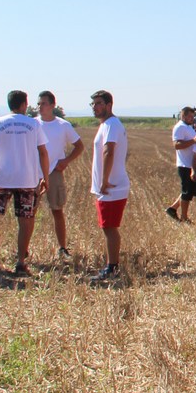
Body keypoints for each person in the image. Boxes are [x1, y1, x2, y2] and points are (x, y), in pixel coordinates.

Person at [0, 89, 49, 276]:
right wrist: (45, 178)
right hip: (27, 180)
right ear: (23, 105)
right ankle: (20, 262)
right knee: (25, 220)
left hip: (1, 179)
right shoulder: (33, 124)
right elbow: (43, 152)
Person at [37, 90, 84, 259]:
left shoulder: (63, 125)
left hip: (55, 172)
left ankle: (62, 248)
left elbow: (79, 146)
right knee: (29, 212)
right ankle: (25, 249)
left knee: (57, 210)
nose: (40, 107)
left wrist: (66, 161)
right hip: (35, 173)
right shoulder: (33, 124)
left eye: (43, 103)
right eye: (39, 103)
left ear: (52, 105)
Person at [89, 89, 129, 282]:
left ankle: (112, 267)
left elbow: (109, 152)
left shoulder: (112, 125)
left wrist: (104, 181)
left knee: (109, 228)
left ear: (109, 105)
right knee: (108, 227)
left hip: (112, 187)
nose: (95, 108)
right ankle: (111, 265)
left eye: (98, 104)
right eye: (93, 104)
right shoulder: (107, 125)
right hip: (109, 186)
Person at [166, 107, 196, 222]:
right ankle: (184, 217)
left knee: (190, 190)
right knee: (187, 192)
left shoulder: (187, 127)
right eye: (190, 117)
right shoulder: (179, 127)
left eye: (193, 117)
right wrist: (193, 141)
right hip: (185, 165)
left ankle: (173, 209)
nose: (192, 119)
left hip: (191, 164)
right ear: (183, 116)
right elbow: (177, 145)